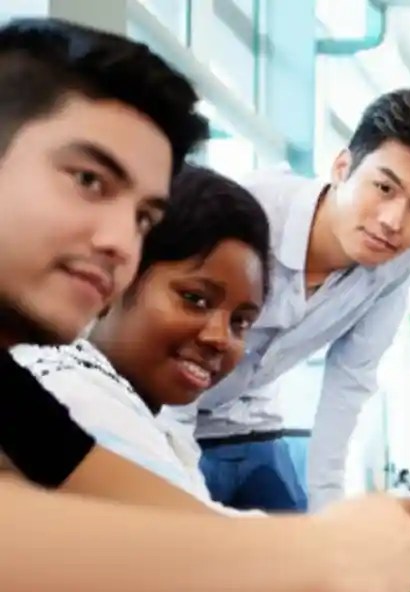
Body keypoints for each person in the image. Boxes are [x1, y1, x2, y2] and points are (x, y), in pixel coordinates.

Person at [0, 17, 410, 592]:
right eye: (88, 180)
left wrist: (355, 542)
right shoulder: (68, 378)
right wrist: (325, 554)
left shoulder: (18, 394)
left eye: (143, 216)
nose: (121, 241)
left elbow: (178, 521)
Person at [169, 88, 410, 513]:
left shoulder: (400, 259)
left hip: (245, 420)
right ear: (341, 167)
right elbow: (179, 347)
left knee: (306, 551)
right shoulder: (247, 213)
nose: (393, 222)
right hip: (158, 408)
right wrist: (185, 490)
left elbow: (351, 378)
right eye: (384, 187)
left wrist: (330, 514)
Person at [13, 164, 269, 513]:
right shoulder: (72, 394)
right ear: (118, 279)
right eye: (195, 299)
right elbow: (199, 540)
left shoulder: (146, 413)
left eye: (240, 322)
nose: (220, 338)